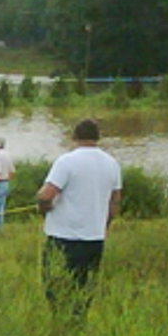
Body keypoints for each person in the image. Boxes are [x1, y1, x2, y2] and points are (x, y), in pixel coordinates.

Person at [36, 118, 123, 311]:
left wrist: (43, 209)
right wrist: (104, 226)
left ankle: (61, 327)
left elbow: (45, 195)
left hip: (63, 238)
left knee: (56, 289)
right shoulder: (112, 164)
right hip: (94, 239)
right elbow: (115, 202)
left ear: (74, 136)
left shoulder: (66, 161)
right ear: (97, 138)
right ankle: (77, 327)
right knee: (83, 292)